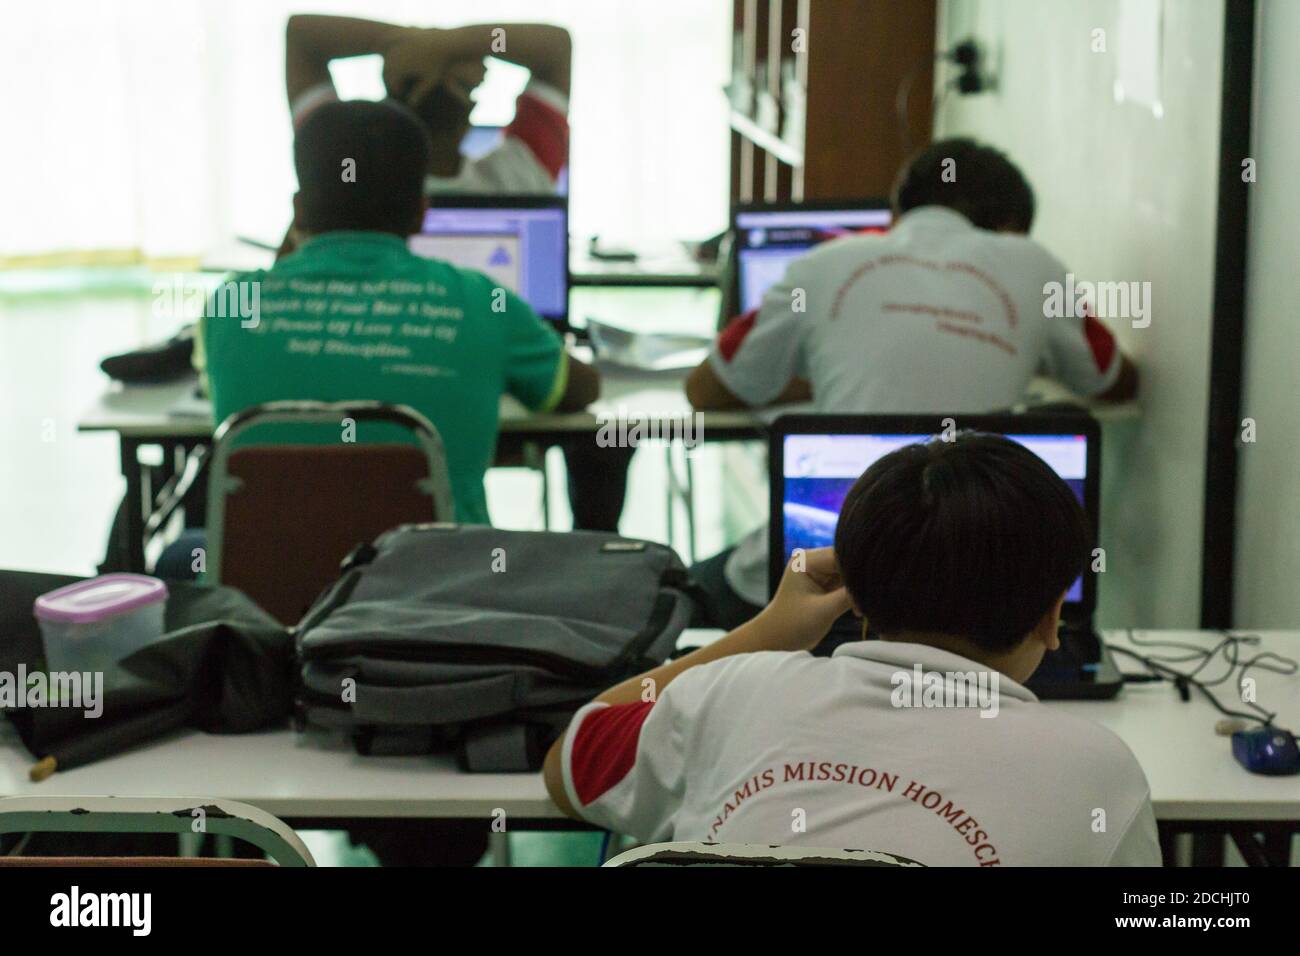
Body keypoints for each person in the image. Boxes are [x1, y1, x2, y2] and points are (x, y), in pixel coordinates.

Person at [543, 433, 1161, 866]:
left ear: (856, 595)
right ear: (1054, 616)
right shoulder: (1097, 770)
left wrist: (768, 634)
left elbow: (571, 760)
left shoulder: (730, 695)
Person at [685, 138, 1139, 628]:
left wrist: (819, 377)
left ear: (896, 215)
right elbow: (1113, 380)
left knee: (695, 586)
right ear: (1011, 229)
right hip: (976, 583)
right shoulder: (1035, 266)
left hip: (824, 584)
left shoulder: (823, 264)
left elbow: (707, 389)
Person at [281, 14, 631, 531]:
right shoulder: (518, 182)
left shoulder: (335, 174)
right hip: (448, 572)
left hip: (292, 585)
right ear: (420, 213)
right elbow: (554, 48)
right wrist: (445, 46)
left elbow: (302, 36)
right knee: (604, 442)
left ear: (303, 210)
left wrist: (411, 50)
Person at [195, 98, 598, 527]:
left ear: (297, 209)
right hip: (440, 585)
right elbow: (578, 390)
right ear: (422, 212)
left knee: (181, 553)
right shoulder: (481, 301)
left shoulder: (230, 305)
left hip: (262, 592)